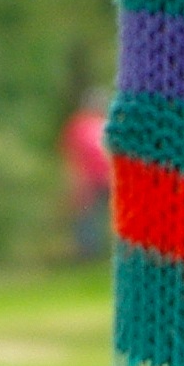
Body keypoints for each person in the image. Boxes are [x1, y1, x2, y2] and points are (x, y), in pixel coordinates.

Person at [60, 88, 111, 261]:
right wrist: (76, 180)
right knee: (87, 216)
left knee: (109, 214)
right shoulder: (79, 126)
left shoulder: (106, 123)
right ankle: (88, 253)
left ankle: (105, 251)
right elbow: (73, 155)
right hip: (89, 179)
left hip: (108, 178)